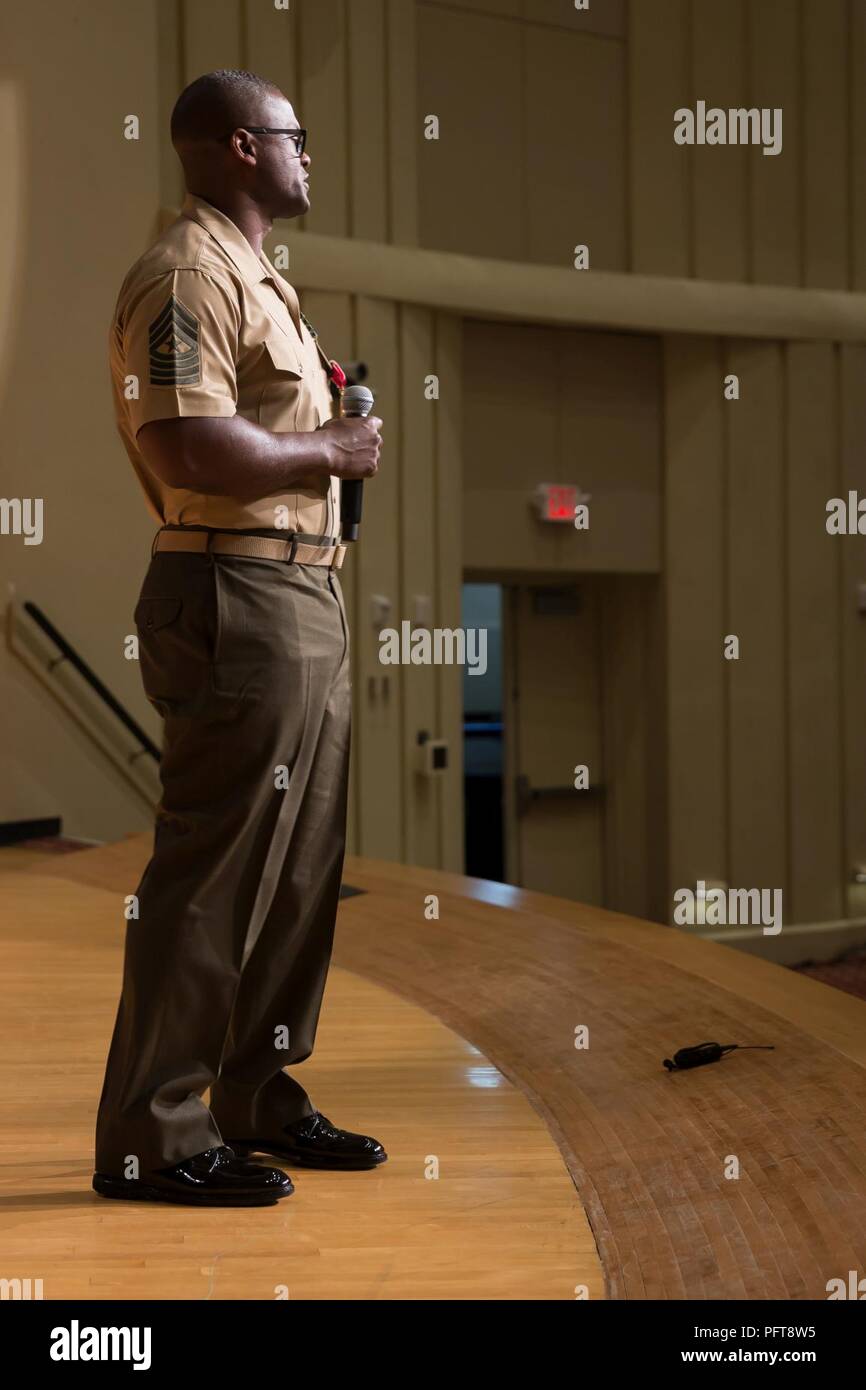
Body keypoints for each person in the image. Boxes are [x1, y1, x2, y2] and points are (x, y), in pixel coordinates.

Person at [93, 69, 385, 1206]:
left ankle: (252, 1096)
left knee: (298, 871)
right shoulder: (185, 273)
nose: (308, 153)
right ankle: (150, 1139)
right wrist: (328, 453)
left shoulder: (262, 279)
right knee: (212, 875)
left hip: (298, 595)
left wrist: (321, 439)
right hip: (234, 592)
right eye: (291, 136)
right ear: (233, 146)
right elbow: (188, 448)